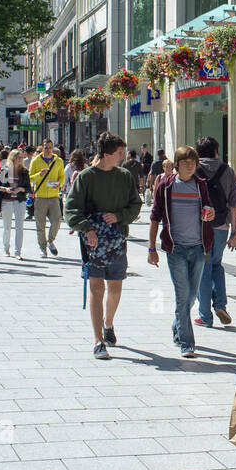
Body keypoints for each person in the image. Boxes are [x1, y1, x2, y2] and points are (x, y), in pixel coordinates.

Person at [65, 132, 142, 359]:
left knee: (115, 287)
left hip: (117, 239)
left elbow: (135, 205)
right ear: (106, 154)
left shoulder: (125, 176)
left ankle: (109, 324)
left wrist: (119, 216)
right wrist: (86, 227)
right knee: (96, 287)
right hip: (92, 242)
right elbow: (71, 209)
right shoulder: (85, 177)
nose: (123, 156)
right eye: (119, 153)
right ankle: (98, 340)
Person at [149, 145, 217, 358]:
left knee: (191, 297)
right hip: (175, 249)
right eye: (185, 162)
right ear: (176, 165)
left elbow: (208, 209)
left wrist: (211, 213)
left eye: (193, 162)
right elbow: (154, 218)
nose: (190, 166)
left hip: (198, 248)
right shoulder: (166, 186)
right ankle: (187, 343)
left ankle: (178, 326)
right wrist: (151, 248)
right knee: (182, 296)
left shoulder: (200, 186)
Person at [195, 136, 236, 329]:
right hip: (221, 226)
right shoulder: (228, 171)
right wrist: (234, 233)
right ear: (216, 151)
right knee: (217, 265)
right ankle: (220, 304)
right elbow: (234, 205)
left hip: (199, 226)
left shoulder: (193, 170)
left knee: (203, 269)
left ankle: (205, 315)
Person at [30, 139, 65, 258]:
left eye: (50, 147)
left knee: (57, 220)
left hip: (54, 196)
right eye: (46, 147)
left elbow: (62, 177)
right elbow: (29, 178)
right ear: (42, 148)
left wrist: (59, 184)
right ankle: (42, 248)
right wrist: (39, 174)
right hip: (40, 196)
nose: (48, 150)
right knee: (40, 224)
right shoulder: (36, 161)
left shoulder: (58, 161)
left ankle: (50, 240)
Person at [0, 149, 30, 259]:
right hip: (7, 200)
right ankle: (6, 248)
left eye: (21, 157)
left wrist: (20, 189)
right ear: (12, 158)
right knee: (7, 226)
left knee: (19, 227)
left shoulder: (24, 171)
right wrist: (5, 189)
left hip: (19, 201)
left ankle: (17, 252)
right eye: (18, 158)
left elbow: (28, 188)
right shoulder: (5, 170)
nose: (20, 160)